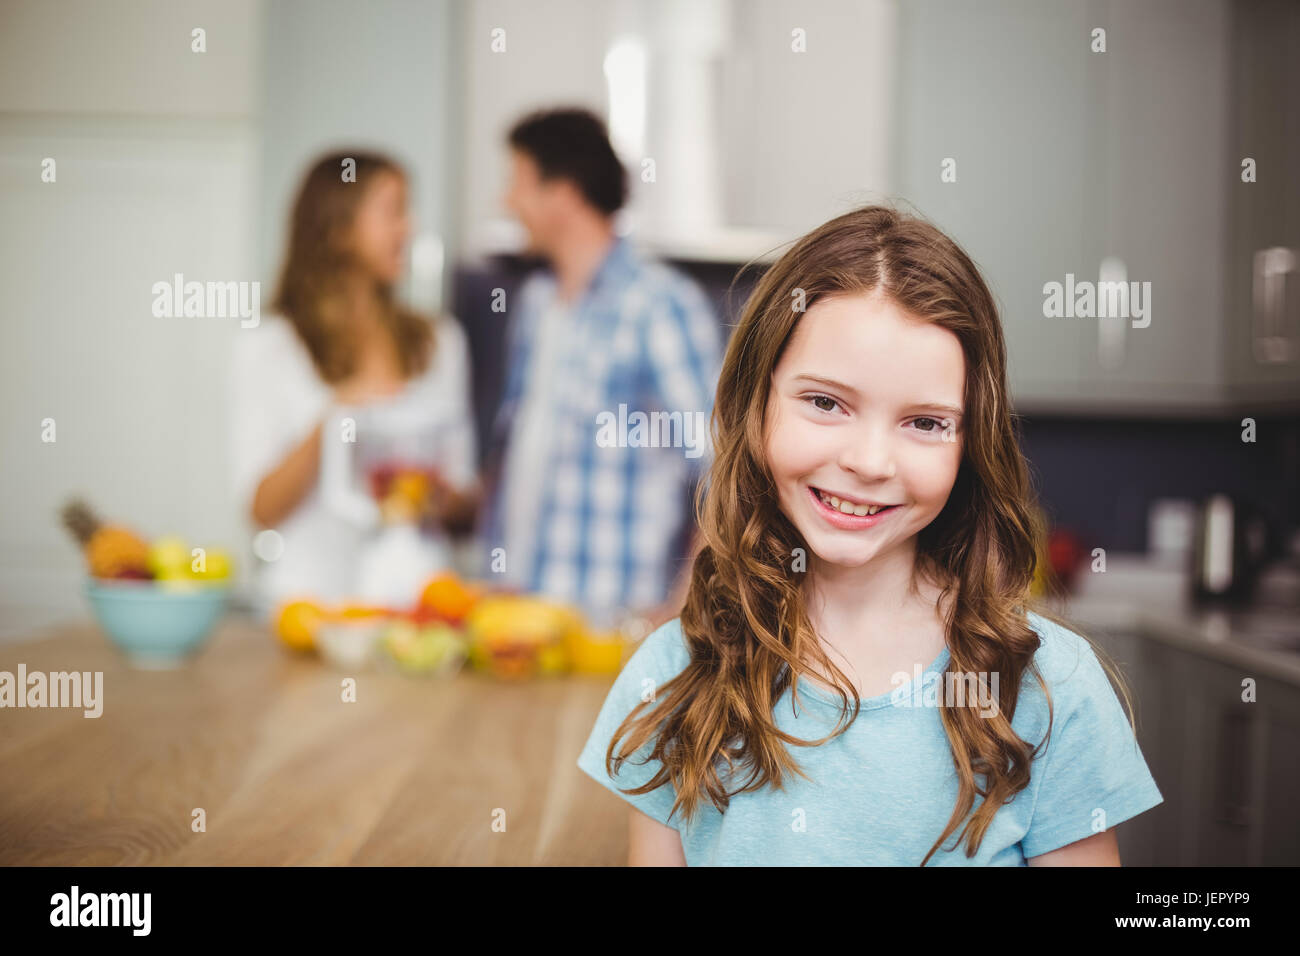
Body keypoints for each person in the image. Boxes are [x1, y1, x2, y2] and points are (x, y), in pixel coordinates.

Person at [577, 204, 1163, 866]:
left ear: (971, 442)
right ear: (755, 405)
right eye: (826, 403)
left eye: (925, 422)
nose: (870, 462)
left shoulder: (1049, 689)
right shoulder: (675, 674)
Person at [480, 108, 723, 632]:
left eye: (517, 183)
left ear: (562, 194)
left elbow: (724, 467)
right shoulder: (537, 304)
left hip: (610, 629)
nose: (506, 201)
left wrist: (683, 608)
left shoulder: (659, 304)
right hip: (517, 615)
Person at [230, 151, 479, 617]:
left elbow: (462, 494)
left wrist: (428, 495)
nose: (410, 227)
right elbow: (261, 508)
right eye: (394, 210)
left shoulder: (441, 342)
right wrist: (335, 415)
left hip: (420, 610)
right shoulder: (270, 347)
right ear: (338, 226)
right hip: (310, 610)